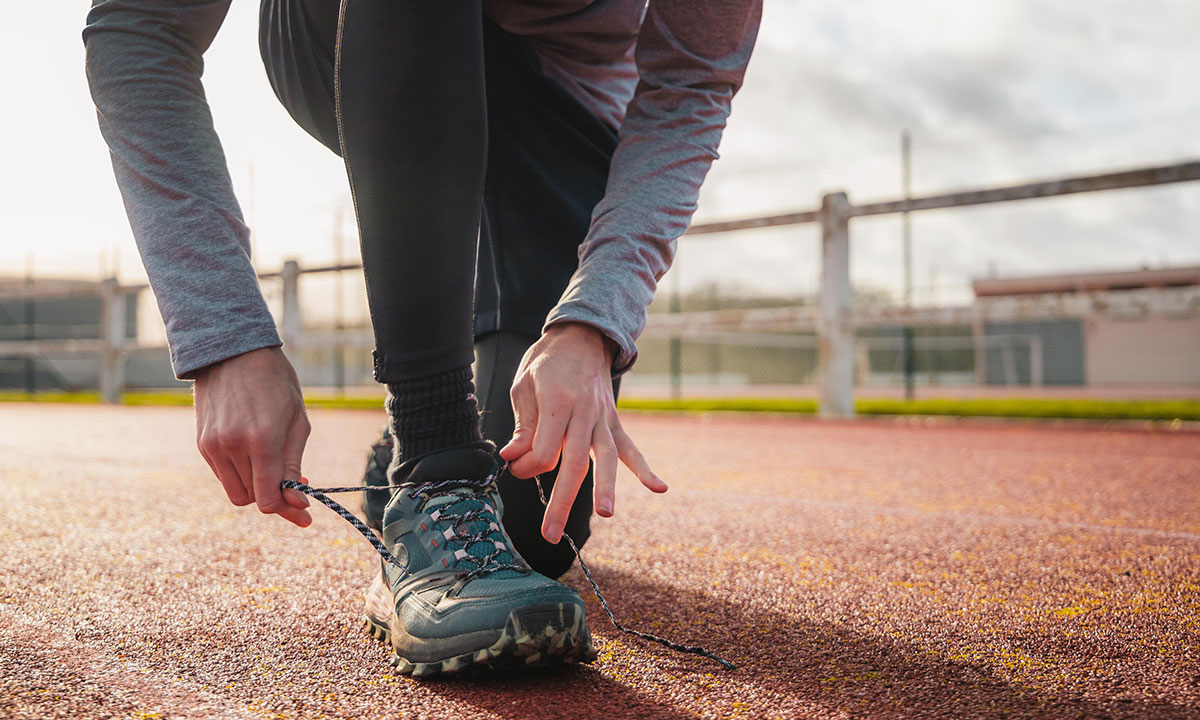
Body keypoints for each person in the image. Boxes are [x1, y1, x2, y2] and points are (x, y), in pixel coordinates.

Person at [84, 0, 761, 677]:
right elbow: (141, 27)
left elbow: (692, 83)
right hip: (346, 29)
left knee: (531, 532)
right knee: (469, 512)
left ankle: (410, 456)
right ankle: (431, 456)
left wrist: (591, 321)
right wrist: (225, 337)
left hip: (557, 110)